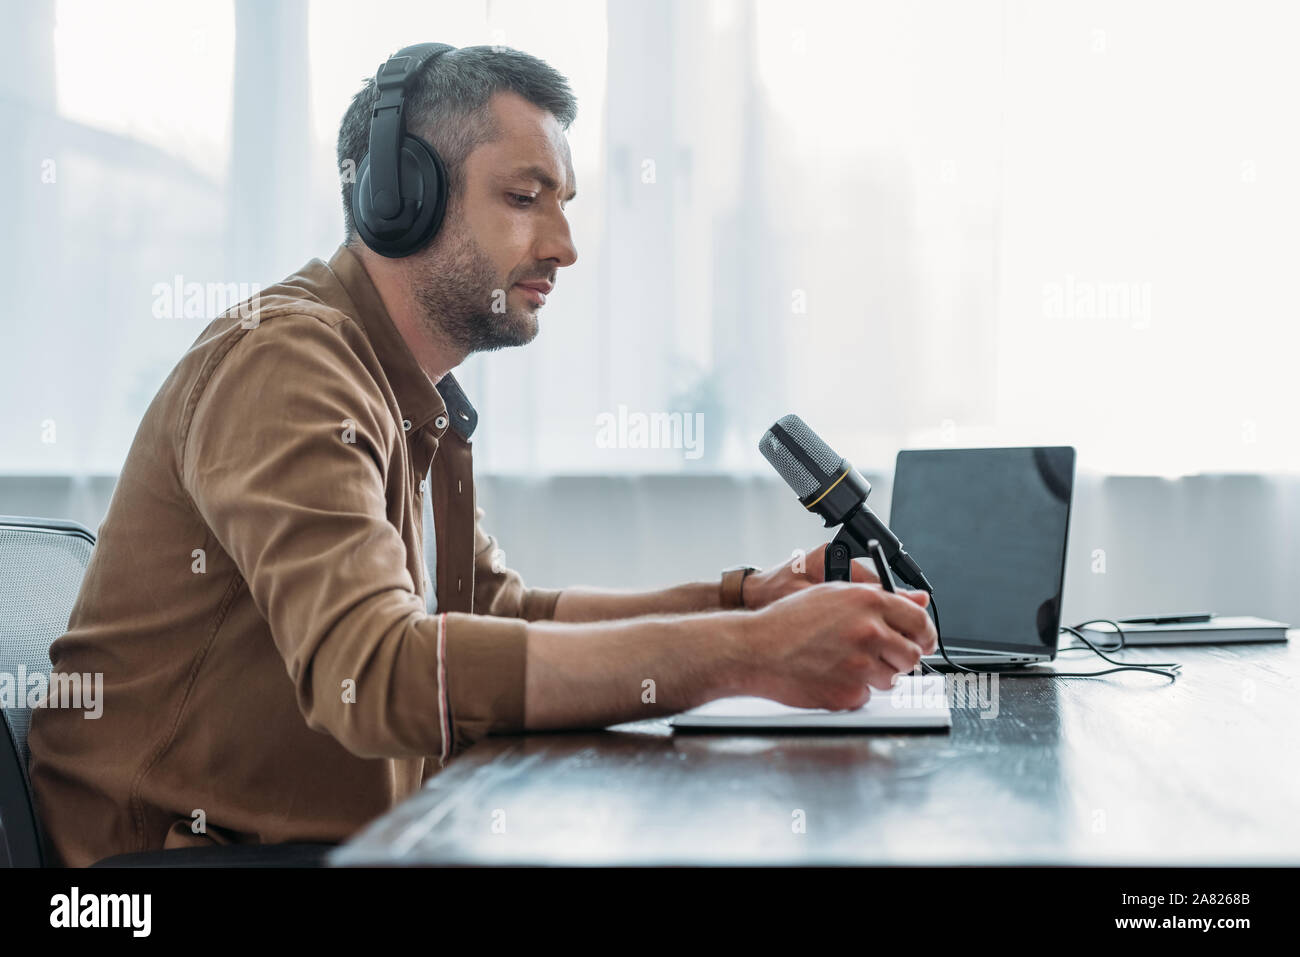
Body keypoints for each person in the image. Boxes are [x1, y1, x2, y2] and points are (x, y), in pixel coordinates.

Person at [27, 44, 935, 867]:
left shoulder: (404, 392)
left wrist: (749, 599)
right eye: (524, 198)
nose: (564, 246)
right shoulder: (287, 363)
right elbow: (373, 671)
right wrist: (749, 653)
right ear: (401, 198)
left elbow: (500, 611)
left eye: (564, 204)